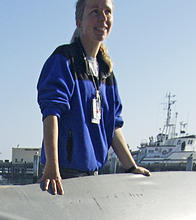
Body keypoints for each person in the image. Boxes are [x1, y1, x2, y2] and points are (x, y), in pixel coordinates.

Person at [37, 0, 150, 195]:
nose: (103, 18)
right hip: (63, 176)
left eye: (107, 11)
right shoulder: (64, 60)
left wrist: (131, 167)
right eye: (95, 12)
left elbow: (113, 125)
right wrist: (52, 168)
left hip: (93, 176)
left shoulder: (106, 73)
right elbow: (51, 113)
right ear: (79, 21)